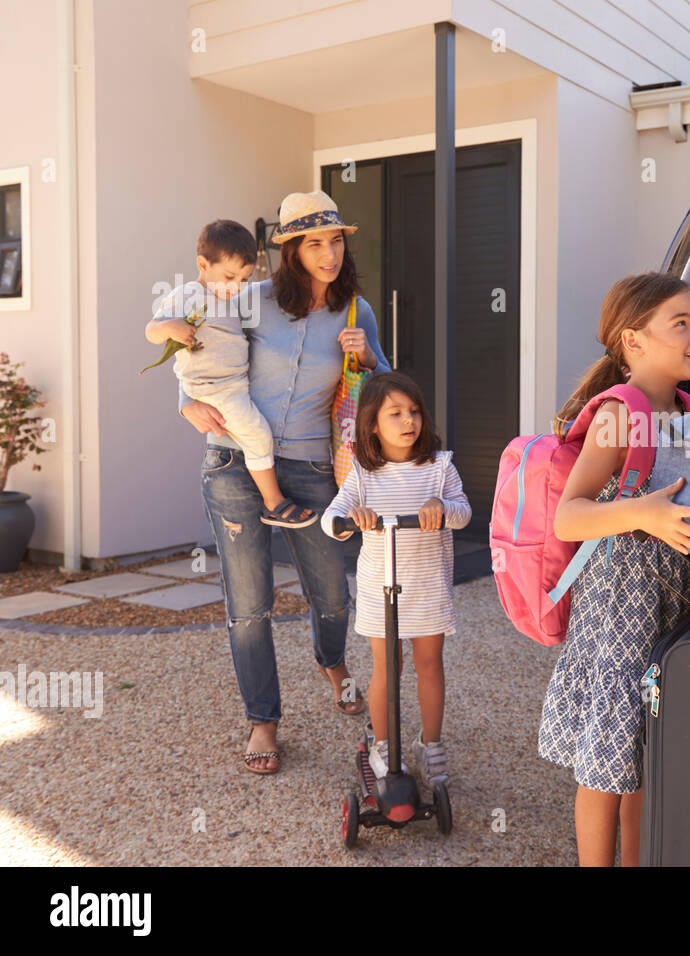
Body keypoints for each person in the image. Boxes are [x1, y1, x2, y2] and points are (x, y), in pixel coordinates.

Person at [182, 190, 392, 774]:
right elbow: (195, 349)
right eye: (314, 243)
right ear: (290, 250)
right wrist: (184, 402)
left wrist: (371, 360)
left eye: (336, 240)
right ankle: (264, 721)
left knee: (331, 594)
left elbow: (393, 392)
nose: (329, 253)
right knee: (249, 604)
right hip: (233, 462)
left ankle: (333, 663)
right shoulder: (248, 301)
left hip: (313, 468)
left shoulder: (357, 310)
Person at [537, 272, 690, 866]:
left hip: (671, 599)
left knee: (644, 749)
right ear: (633, 341)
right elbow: (570, 517)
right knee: (606, 760)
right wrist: (648, 514)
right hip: (621, 605)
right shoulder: (621, 412)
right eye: (681, 323)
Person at [321, 372, 470, 795]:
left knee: (429, 664)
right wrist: (352, 521)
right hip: (379, 586)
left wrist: (440, 507)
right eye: (396, 413)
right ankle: (383, 747)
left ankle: (431, 744)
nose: (409, 421)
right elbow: (330, 519)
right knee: (388, 667)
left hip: (426, 586)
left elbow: (464, 512)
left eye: (415, 411)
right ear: (372, 424)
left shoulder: (439, 468)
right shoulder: (364, 474)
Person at [146, 220, 317, 528]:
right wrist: (170, 328)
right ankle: (274, 501)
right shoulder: (186, 296)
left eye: (244, 278)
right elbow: (151, 330)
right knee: (257, 434)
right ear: (202, 264)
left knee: (252, 433)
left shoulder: (232, 296)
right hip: (214, 388)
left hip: (234, 383)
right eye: (229, 277)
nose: (237, 287)